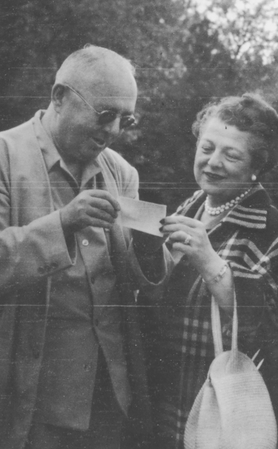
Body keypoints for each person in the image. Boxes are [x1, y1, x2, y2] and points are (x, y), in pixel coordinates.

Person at [0, 45, 165, 449]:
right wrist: (63, 223)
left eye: (125, 119)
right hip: (26, 395)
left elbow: (134, 284)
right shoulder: (5, 157)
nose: (114, 131)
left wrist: (158, 249)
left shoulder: (122, 173)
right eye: (104, 114)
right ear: (59, 97)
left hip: (106, 396)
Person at [143, 94, 278, 449]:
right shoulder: (190, 207)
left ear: (256, 166)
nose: (212, 162)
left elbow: (274, 325)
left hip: (224, 408)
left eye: (231, 155)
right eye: (207, 148)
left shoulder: (271, 226)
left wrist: (210, 262)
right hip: (167, 396)